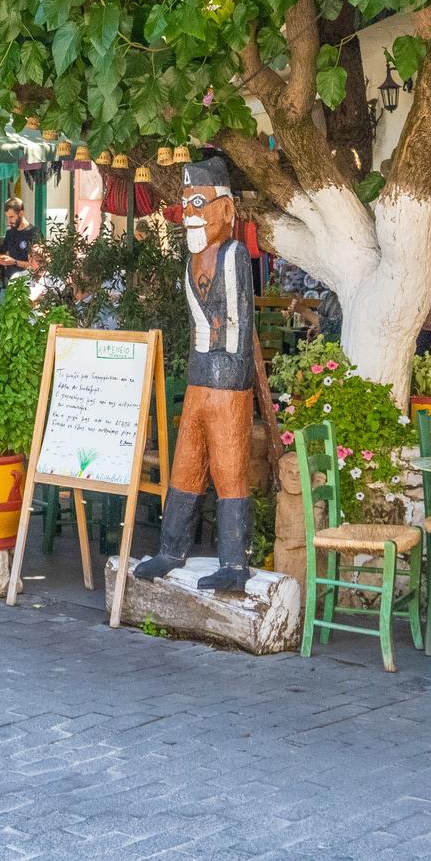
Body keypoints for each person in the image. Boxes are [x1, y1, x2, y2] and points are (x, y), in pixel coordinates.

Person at [134, 156, 262, 593]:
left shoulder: (234, 253)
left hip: (228, 383)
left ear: (226, 210)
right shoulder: (191, 263)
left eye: (199, 203)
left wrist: (222, 360)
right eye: (185, 204)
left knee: (229, 470)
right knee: (185, 466)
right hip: (198, 377)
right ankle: (171, 548)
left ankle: (234, 562)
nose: (190, 213)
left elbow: (237, 324)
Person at [0, 198, 36, 281]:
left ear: (21, 213)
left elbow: (37, 265)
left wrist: (14, 262)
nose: (9, 221)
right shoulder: (9, 233)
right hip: (8, 282)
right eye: (7, 217)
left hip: (27, 284)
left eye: (11, 217)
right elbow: (4, 254)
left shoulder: (33, 233)